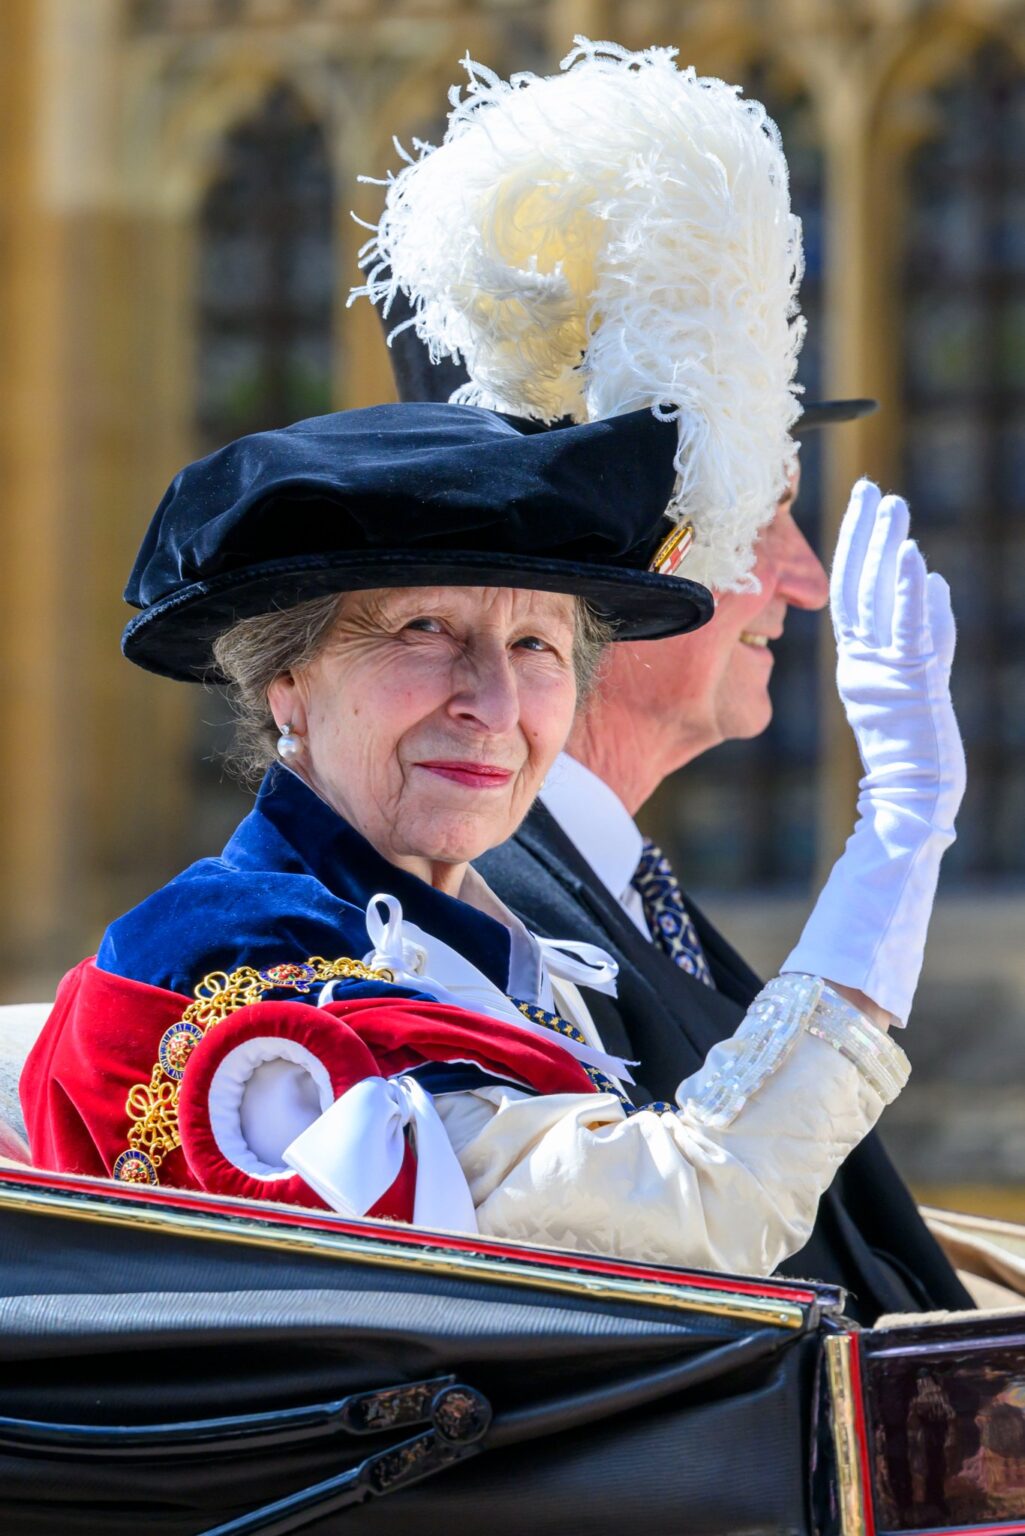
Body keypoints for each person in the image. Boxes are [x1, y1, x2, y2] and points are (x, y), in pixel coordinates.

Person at [20, 396, 944, 1280]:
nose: (494, 706)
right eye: (425, 629)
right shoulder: (246, 966)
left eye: (536, 646)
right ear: (287, 680)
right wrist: (901, 828)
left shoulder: (487, 948)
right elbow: (697, 1214)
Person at [361, 37, 973, 1316]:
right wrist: (901, 831)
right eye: (767, 515)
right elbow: (694, 1242)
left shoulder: (625, 895)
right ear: (622, 567)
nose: (804, 581)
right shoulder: (484, 917)